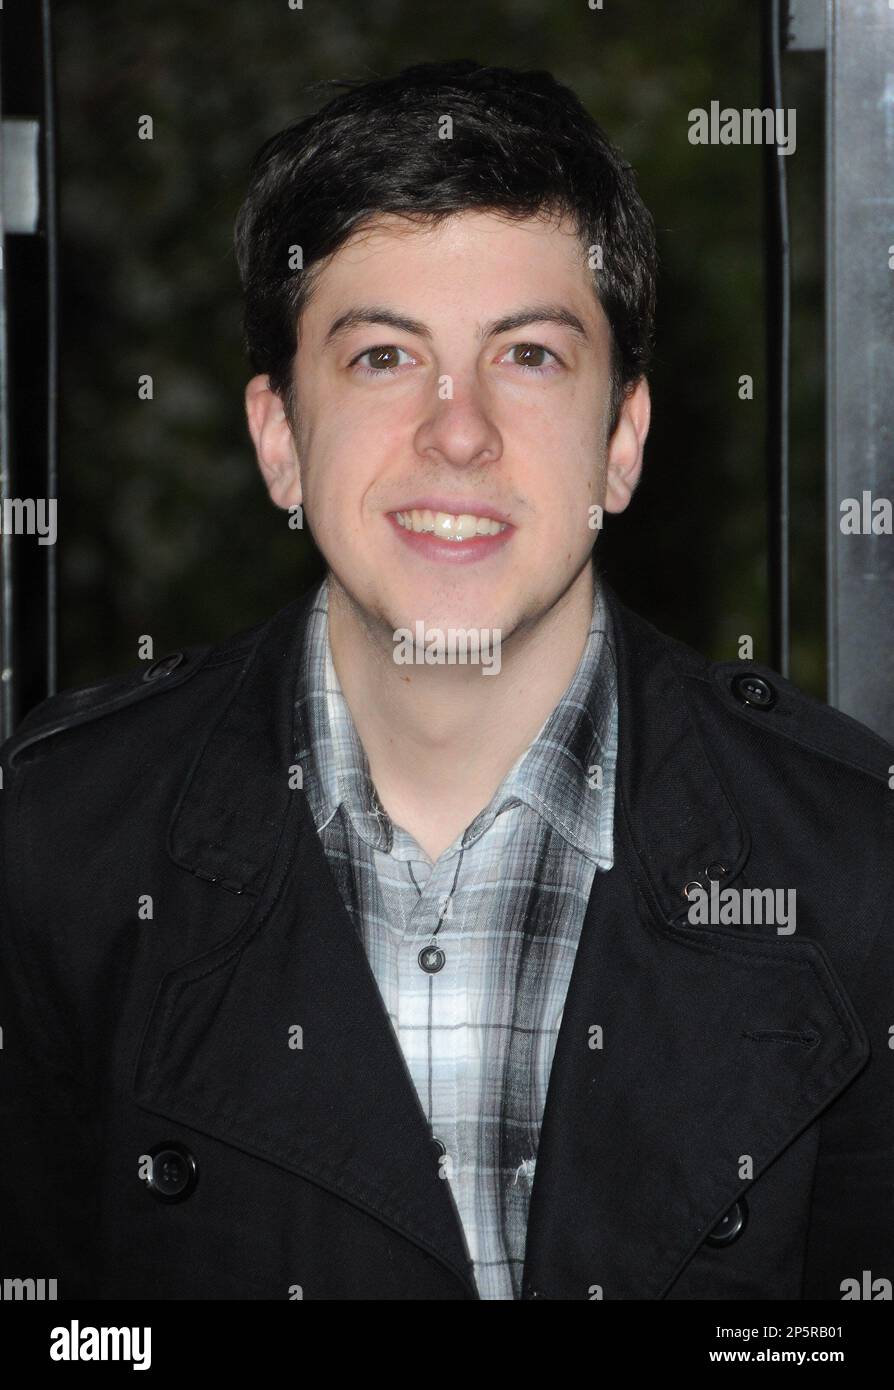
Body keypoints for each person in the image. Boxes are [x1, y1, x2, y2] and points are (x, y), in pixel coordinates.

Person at [0, 59, 891, 1302]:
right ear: (279, 441)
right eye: (380, 359)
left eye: (526, 355)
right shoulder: (59, 847)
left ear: (621, 441)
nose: (456, 430)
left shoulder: (853, 863)